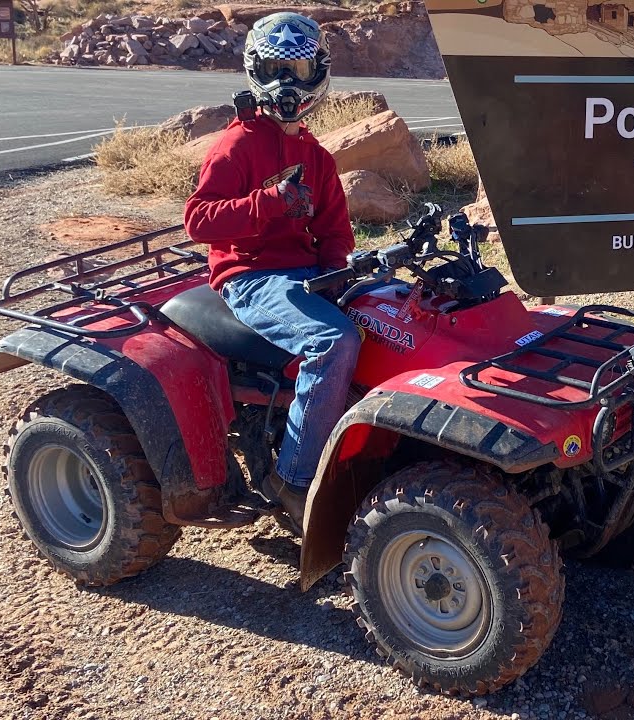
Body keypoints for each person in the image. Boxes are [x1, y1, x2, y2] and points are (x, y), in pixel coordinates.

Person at [183, 11, 359, 532]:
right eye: (278, 67)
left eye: (302, 69)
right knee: (332, 341)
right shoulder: (237, 144)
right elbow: (199, 220)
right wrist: (267, 202)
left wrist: (344, 274)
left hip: (307, 273)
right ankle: (294, 479)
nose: (290, 82)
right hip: (251, 276)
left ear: (319, 74)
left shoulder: (317, 156)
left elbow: (335, 233)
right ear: (256, 71)